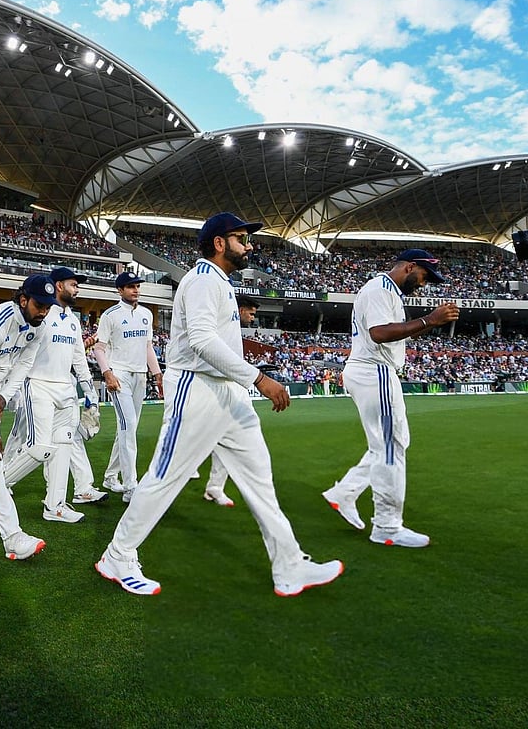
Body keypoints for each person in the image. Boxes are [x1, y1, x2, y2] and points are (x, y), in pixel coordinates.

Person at [95, 213, 344, 597]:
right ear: (218, 243)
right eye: (241, 239)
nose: (249, 245)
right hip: (197, 388)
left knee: (260, 479)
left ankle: (290, 565)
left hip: (229, 393)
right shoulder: (200, 280)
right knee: (165, 477)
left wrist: (244, 383)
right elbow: (201, 341)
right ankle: (119, 554)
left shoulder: (221, 282)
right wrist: (259, 378)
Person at [321, 249, 460, 548]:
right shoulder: (380, 289)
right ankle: (386, 526)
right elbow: (380, 334)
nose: (423, 284)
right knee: (389, 448)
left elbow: (393, 334)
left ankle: (345, 492)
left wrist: (429, 323)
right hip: (375, 372)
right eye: (423, 276)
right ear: (410, 267)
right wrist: (429, 320)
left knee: (390, 443)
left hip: (374, 372)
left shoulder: (389, 292)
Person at [0, 274, 56, 559]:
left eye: (48, 306)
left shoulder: (38, 326)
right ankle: (13, 536)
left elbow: (24, 363)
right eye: (39, 305)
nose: (43, 311)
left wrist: (5, 394)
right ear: (23, 299)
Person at [1, 266, 97, 523]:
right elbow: (19, 353)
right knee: (40, 449)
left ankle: (55, 506)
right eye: (72, 284)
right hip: (38, 386)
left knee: (64, 446)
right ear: (58, 286)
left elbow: (79, 358)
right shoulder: (39, 315)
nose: (76, 289)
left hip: (66, 390)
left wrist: (89, 392)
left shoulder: (74, 321)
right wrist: (13, 389)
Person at [92, 271, 164, 501]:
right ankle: (131, 485)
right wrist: (108, 373)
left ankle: (111, 477)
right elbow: (99, 348)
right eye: (131, 287)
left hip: (140, 376)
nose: (136, 290)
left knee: (127, 428)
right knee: (129, 424)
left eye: (137, 286)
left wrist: (157, 373)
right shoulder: (110, 315)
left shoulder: (145, 314)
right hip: (119, 375)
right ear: (120, 290)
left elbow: (147, 346)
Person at [202, 294, 262, 507]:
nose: (253, 319)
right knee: (193, 435)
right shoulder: (220, 322)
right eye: (251, 314)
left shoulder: (232, 326)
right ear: (240, 310)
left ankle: (216, 486)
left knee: (236, 431)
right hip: (216, 383)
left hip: (233, 384)